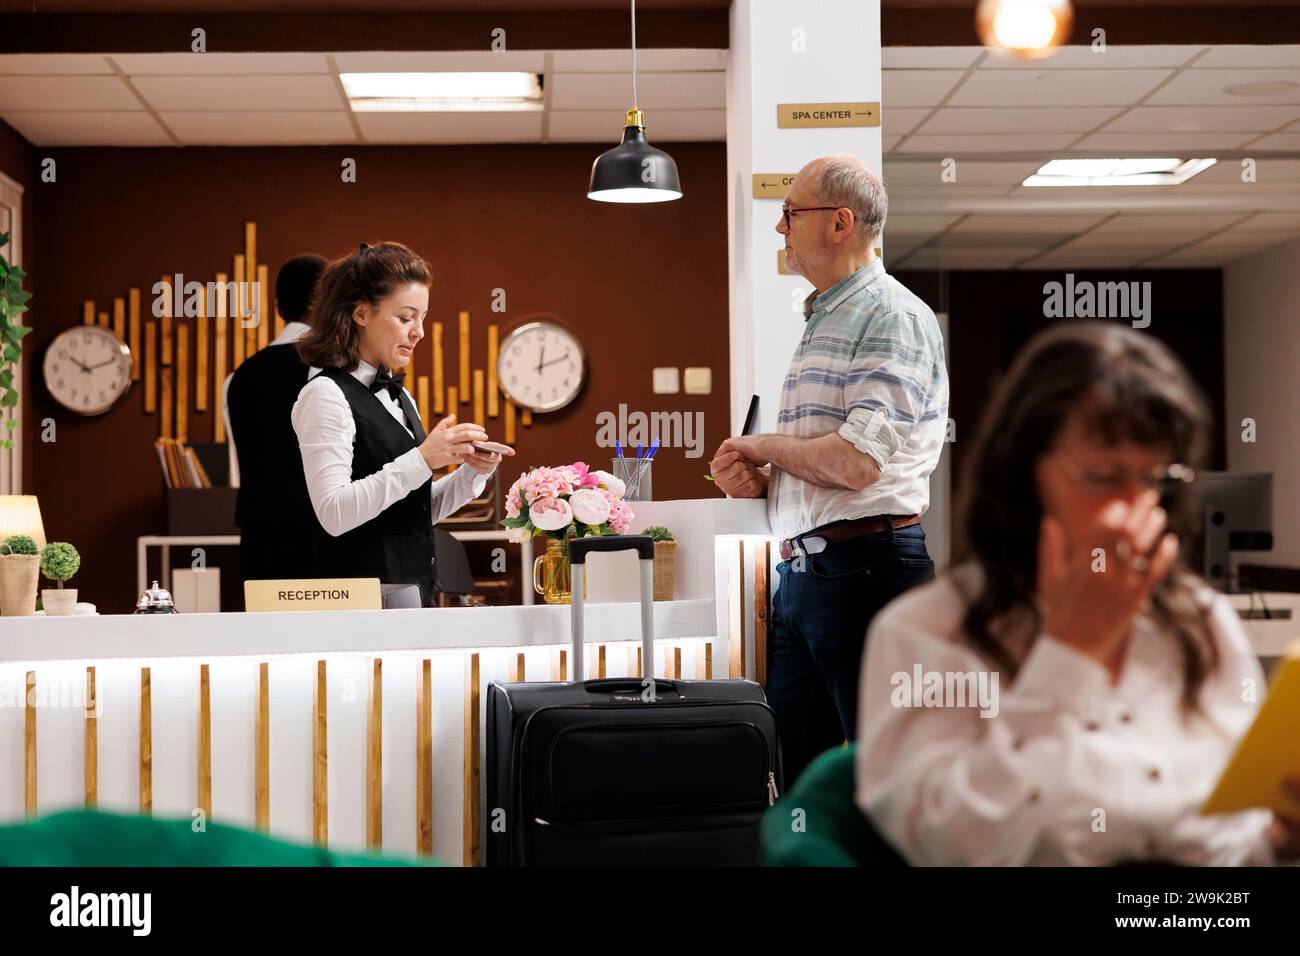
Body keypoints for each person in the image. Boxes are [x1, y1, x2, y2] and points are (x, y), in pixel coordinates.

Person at [856, 321, 1300, 865]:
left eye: (1156, 479)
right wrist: (1069, 653)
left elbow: (1240, 838)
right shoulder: (925, 632)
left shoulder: (1202, 620)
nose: (1133, 508)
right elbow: (947, 847)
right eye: (1105, 474)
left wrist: (1278, 836)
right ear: (1023, 472)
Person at [709, 155, 948, 786]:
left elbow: (857, 462)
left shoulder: (891, 316)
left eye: (790, 213)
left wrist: (762, 446)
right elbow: (824, 461)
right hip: (810, 576)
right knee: (797, 776)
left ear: (840, 223)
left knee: (884, 781)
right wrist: (761, 482)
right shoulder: (824, 317)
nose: (779, 229)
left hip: (867, 569)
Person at [291, 242, 509, 607]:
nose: (419, 331)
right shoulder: (325, 395)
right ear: (361, 313)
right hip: (357, 604)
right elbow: (333, 512)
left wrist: (470, 474)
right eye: (406, 317)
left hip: (415, 595)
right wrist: (422, 460)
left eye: (422, 318)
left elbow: (412, 511)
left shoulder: (400, 397)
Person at [225, 253, 328, 587]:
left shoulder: (236, 377)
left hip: (259, 538)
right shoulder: (329, 372)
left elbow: (237, 469)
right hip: (318, 537)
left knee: (264, 636)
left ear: (277, 305)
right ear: (323, 299)